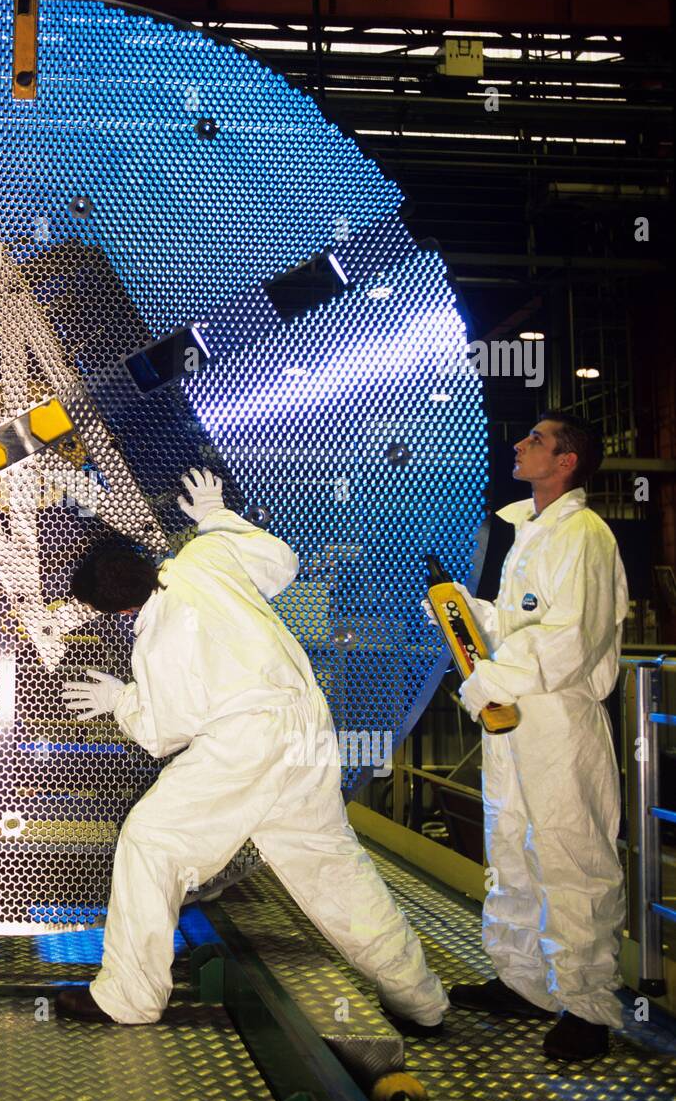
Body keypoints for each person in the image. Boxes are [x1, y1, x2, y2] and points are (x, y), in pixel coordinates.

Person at [58, 468, 449, 1034]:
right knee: (331, 867)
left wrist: (121, 699)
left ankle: (129, 997)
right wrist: (217, 520)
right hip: (307, 729)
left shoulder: (155, 641)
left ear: (116, 612)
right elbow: (282, 564)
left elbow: (164, 732)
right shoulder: (201, 560)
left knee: (150, 841)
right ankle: (421, 1000)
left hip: (246, 744)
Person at [446, 412, 628, 1061]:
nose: (519, 445)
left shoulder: (583, 533)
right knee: (514, 847)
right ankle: (524, 981)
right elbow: (524, 625)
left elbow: (571, 638)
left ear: (567, 461)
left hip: (556, 717)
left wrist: (490, 676)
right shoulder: (529, 531)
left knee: (569, 858)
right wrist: (468, 612)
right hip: (514, 717)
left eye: (537, 440)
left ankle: (588, 1004)